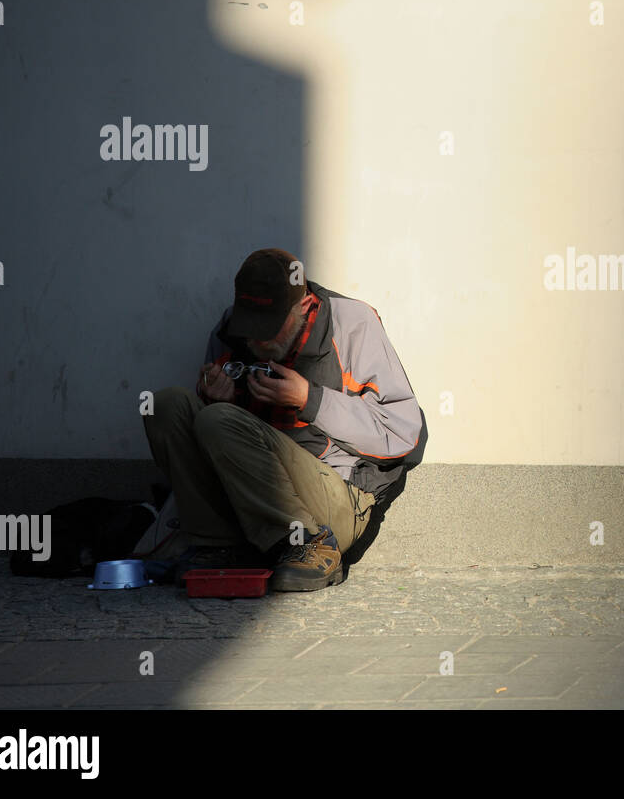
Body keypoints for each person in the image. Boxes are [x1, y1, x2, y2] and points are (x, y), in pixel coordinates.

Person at [142, 247, 427, 591]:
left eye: (270, 328)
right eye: (250, 328)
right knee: (166, 405)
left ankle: (309, 543)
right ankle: (217, 547)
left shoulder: (353, 324)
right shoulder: (230, 329)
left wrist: (311, 400)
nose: (256, 340)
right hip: (251, 499)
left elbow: (403, 434)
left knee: (219, 420)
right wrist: (223, 400)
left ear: (304, 306)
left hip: (334, 495)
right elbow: (224, 436)